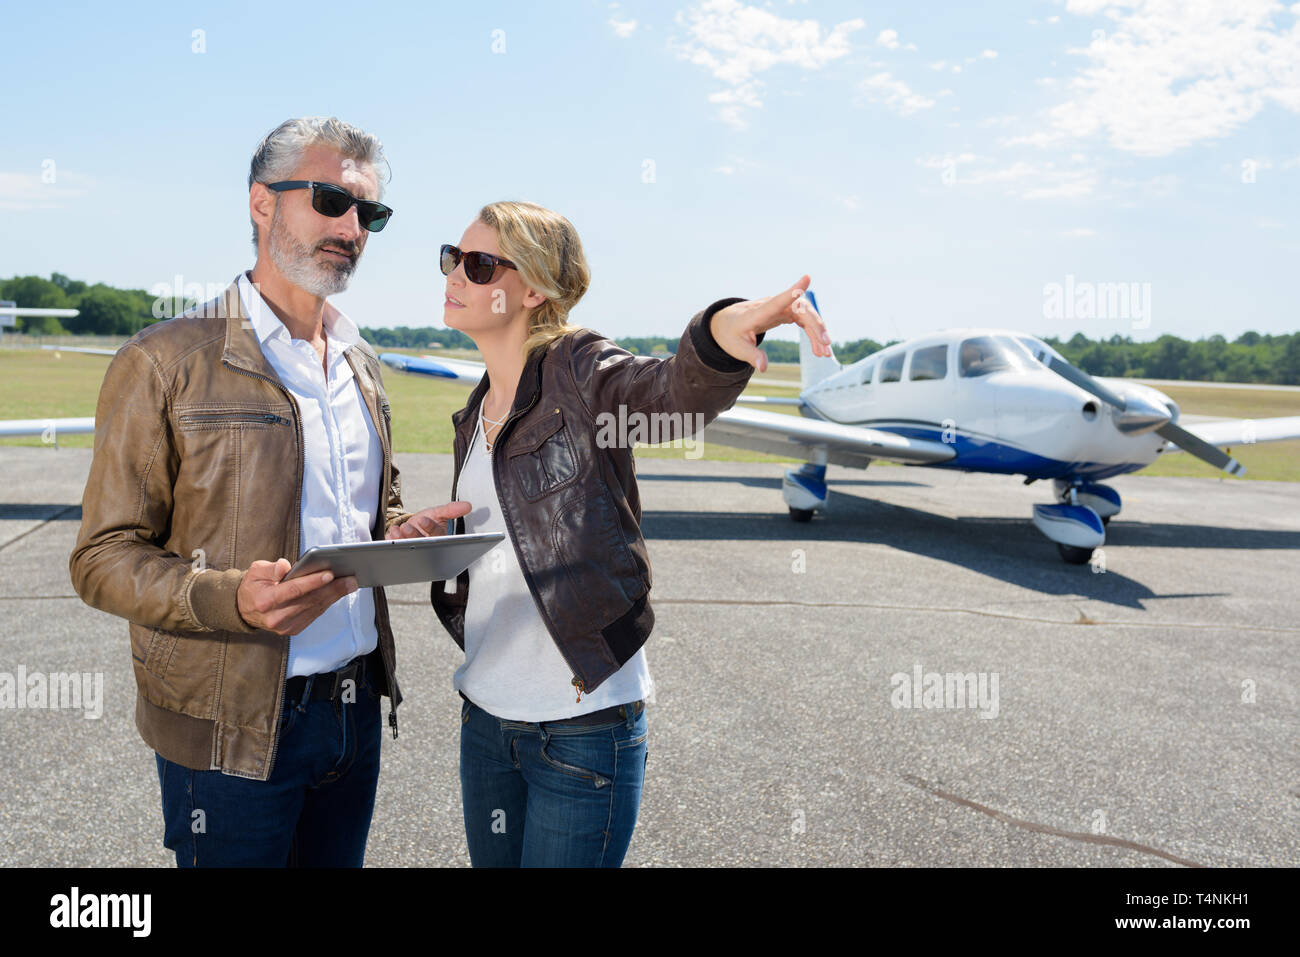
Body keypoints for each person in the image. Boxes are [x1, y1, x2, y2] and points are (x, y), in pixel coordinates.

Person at [69, 116, 466, 867]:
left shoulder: (359, 361)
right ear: (261, 203)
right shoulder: (164, 360)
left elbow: (365, 511)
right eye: (329, 200)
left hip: (352, 717)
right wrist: (231, 597)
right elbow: (100, 556)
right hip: (230, 729)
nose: (352, 227)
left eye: (368, 213)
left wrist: (401, 534)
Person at [386, 201, 832, 866]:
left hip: (582, 726)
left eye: (479, 265)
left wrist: (718, 332)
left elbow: (671, 395)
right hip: (485, 715)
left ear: (533, 288)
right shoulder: (477, 407)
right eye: (453, 257)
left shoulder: (581, 370)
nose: (455, 274)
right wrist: (421, 534)